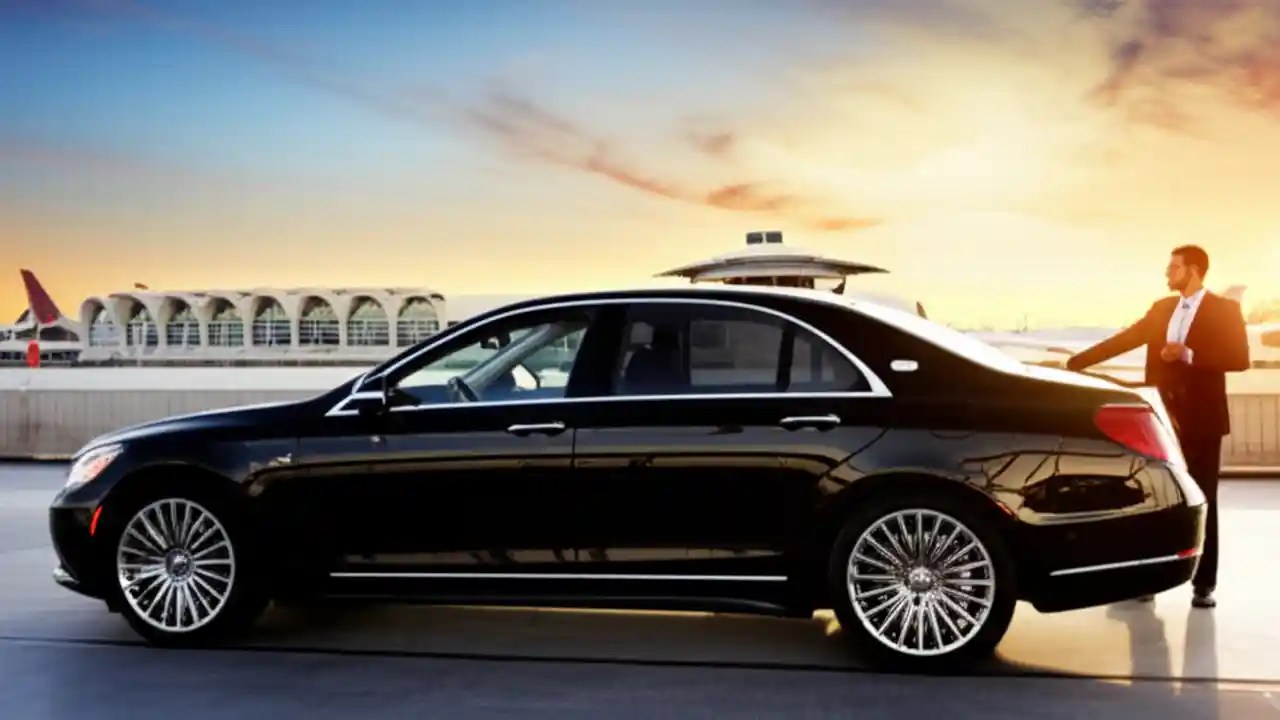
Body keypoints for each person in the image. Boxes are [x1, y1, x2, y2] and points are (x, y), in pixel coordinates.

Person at [1065, 245, 1250, 608]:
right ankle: (1146, 579)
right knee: (1149, 497)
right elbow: (1125, 339)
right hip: (1160, 421)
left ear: (1193, 271)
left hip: (1203, 423)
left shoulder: (1225, 310)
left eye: (1174, 267)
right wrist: (1076, 363)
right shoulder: (1161, 308)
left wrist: (1188, 355)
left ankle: (1204, 585)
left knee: (1203, 498)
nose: (1167, 273)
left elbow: (1239, 358)